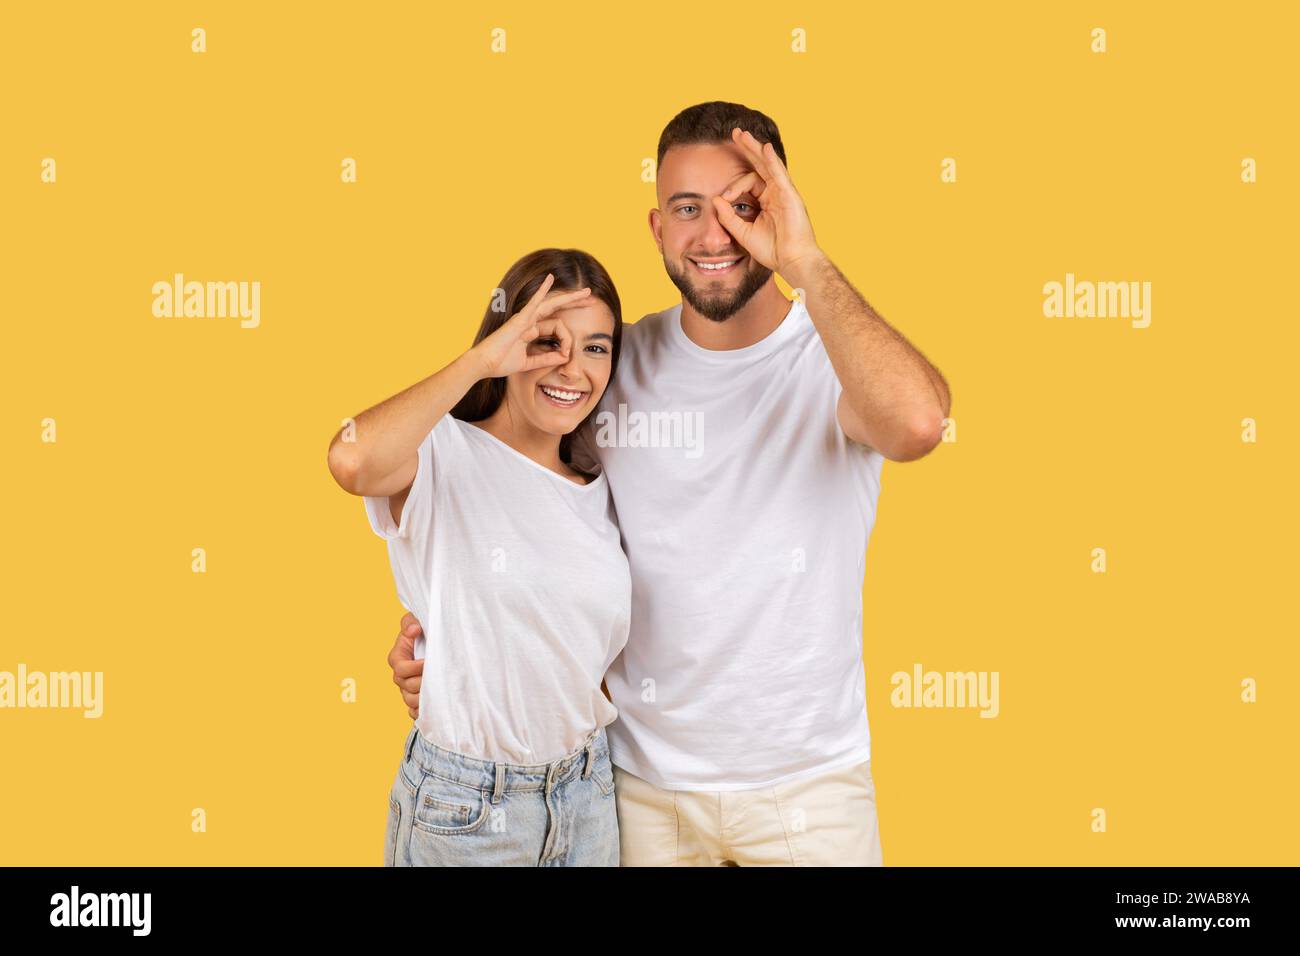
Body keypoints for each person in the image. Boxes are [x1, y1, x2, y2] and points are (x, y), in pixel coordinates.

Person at [388, 102, 952, 865]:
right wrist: (453, 643)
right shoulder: (607, 362)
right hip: (637, 790)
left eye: (744, 207)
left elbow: (918, 423)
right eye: (689, 208)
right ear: (657, 227)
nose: (716, 234)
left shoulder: (834, 360)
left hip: (809, 791)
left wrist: (807, 261)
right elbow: (502, 494)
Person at [328, 249, 630, 866]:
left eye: (596, 348)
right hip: (468, 810)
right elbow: (351, 460)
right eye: (548, 341)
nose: (571, 368)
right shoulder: (442, 452)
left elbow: (577, 654)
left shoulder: (600, 489)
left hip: (588, 793)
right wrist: (481, 362)